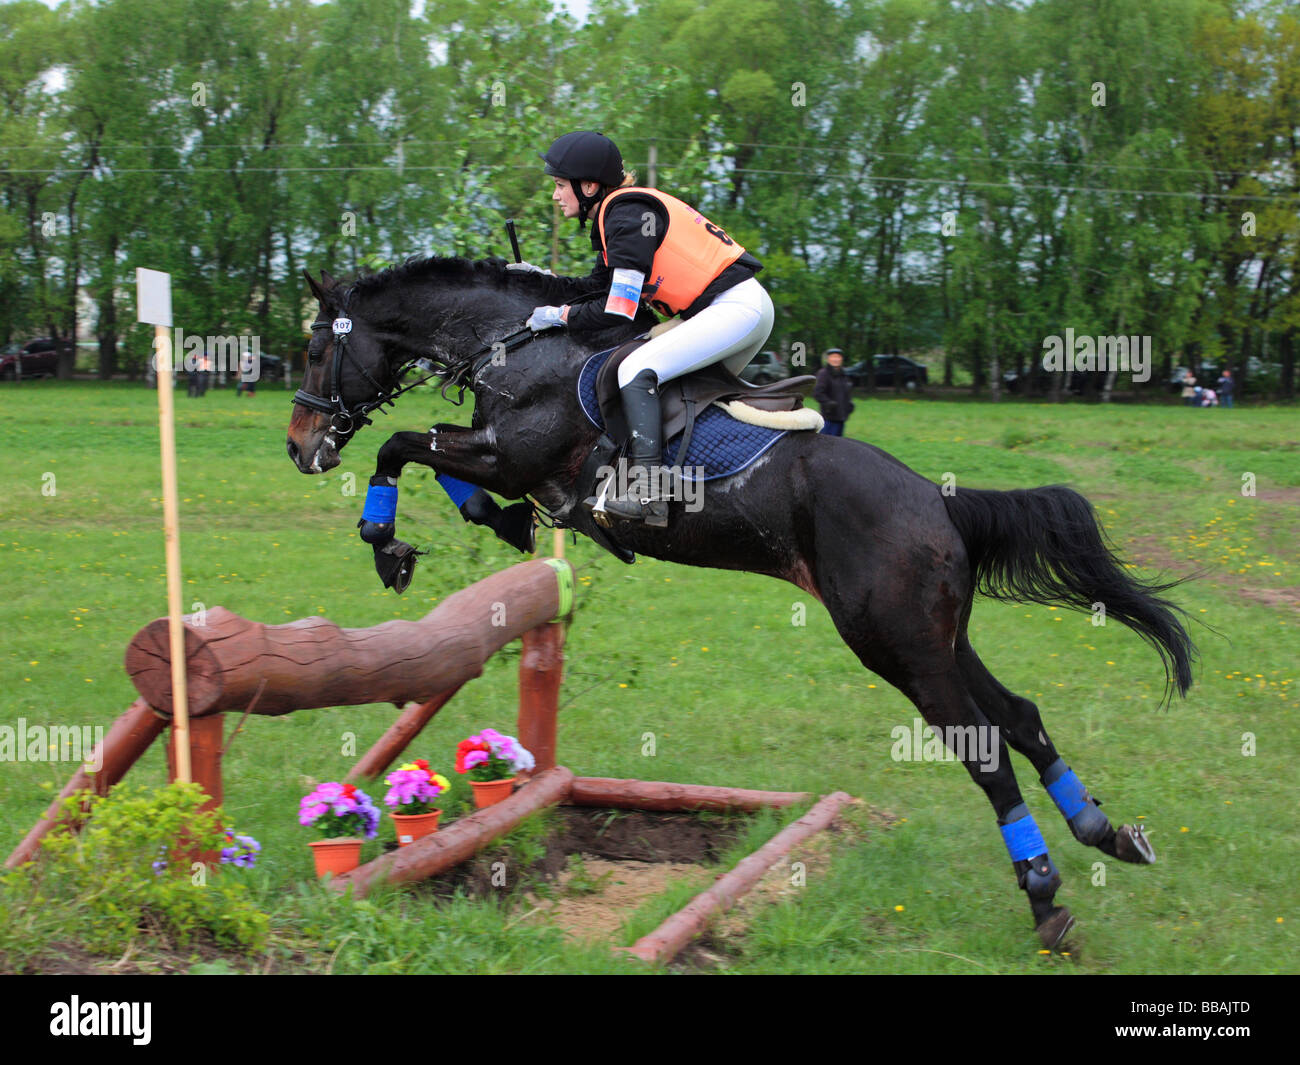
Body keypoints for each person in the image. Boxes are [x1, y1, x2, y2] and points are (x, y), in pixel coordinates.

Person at [516, 131, 773, 525]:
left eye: (559, 185)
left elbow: (618, 309)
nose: (555, 196)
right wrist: (540, 281)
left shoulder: (624, 213)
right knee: (672, 395)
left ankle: (649, 495)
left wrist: (559, 316)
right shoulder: (617, 215)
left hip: (733, 309)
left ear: (588, 186)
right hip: (731, 309)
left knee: (636, 370)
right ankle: (697, 490)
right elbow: (595, 289)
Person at [814, 348, 854, 436]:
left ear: (841, 359)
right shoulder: (823, 374)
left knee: (838, 443)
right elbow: (818, 393)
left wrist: (849, 404)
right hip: (829, 417)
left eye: (838, 357)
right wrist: (828, 403)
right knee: (826, 442)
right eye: (833, 357)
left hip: (841, 416)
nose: (835, 359)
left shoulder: (844, 375)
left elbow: (847, 391)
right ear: (828, 359)